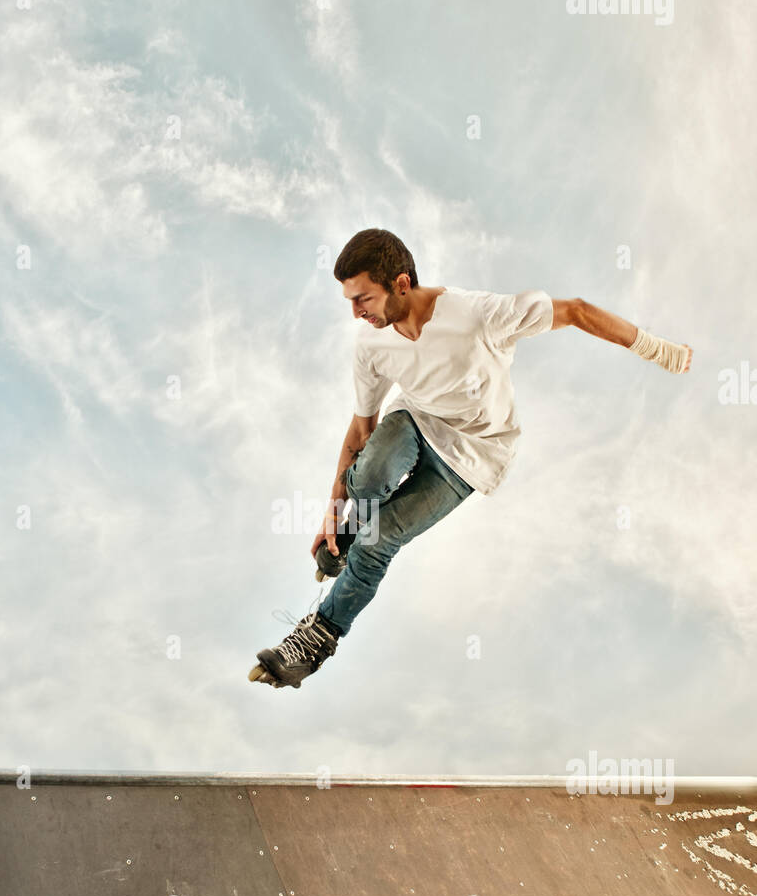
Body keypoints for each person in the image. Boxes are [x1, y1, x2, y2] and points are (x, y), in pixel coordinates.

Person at [249, 228, 692, 690]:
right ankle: (352, 524)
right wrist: (336, 506)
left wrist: (657, 349)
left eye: (364, 299)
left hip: (472, 456)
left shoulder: (480, 315)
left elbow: (576, 311)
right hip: (416, 422)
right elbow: (362, 428)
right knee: (372, 474)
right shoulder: (372, 345)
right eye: (350, 301)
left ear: (401, 283)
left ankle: (317, 638)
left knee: (379, 544)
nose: (357, 313)